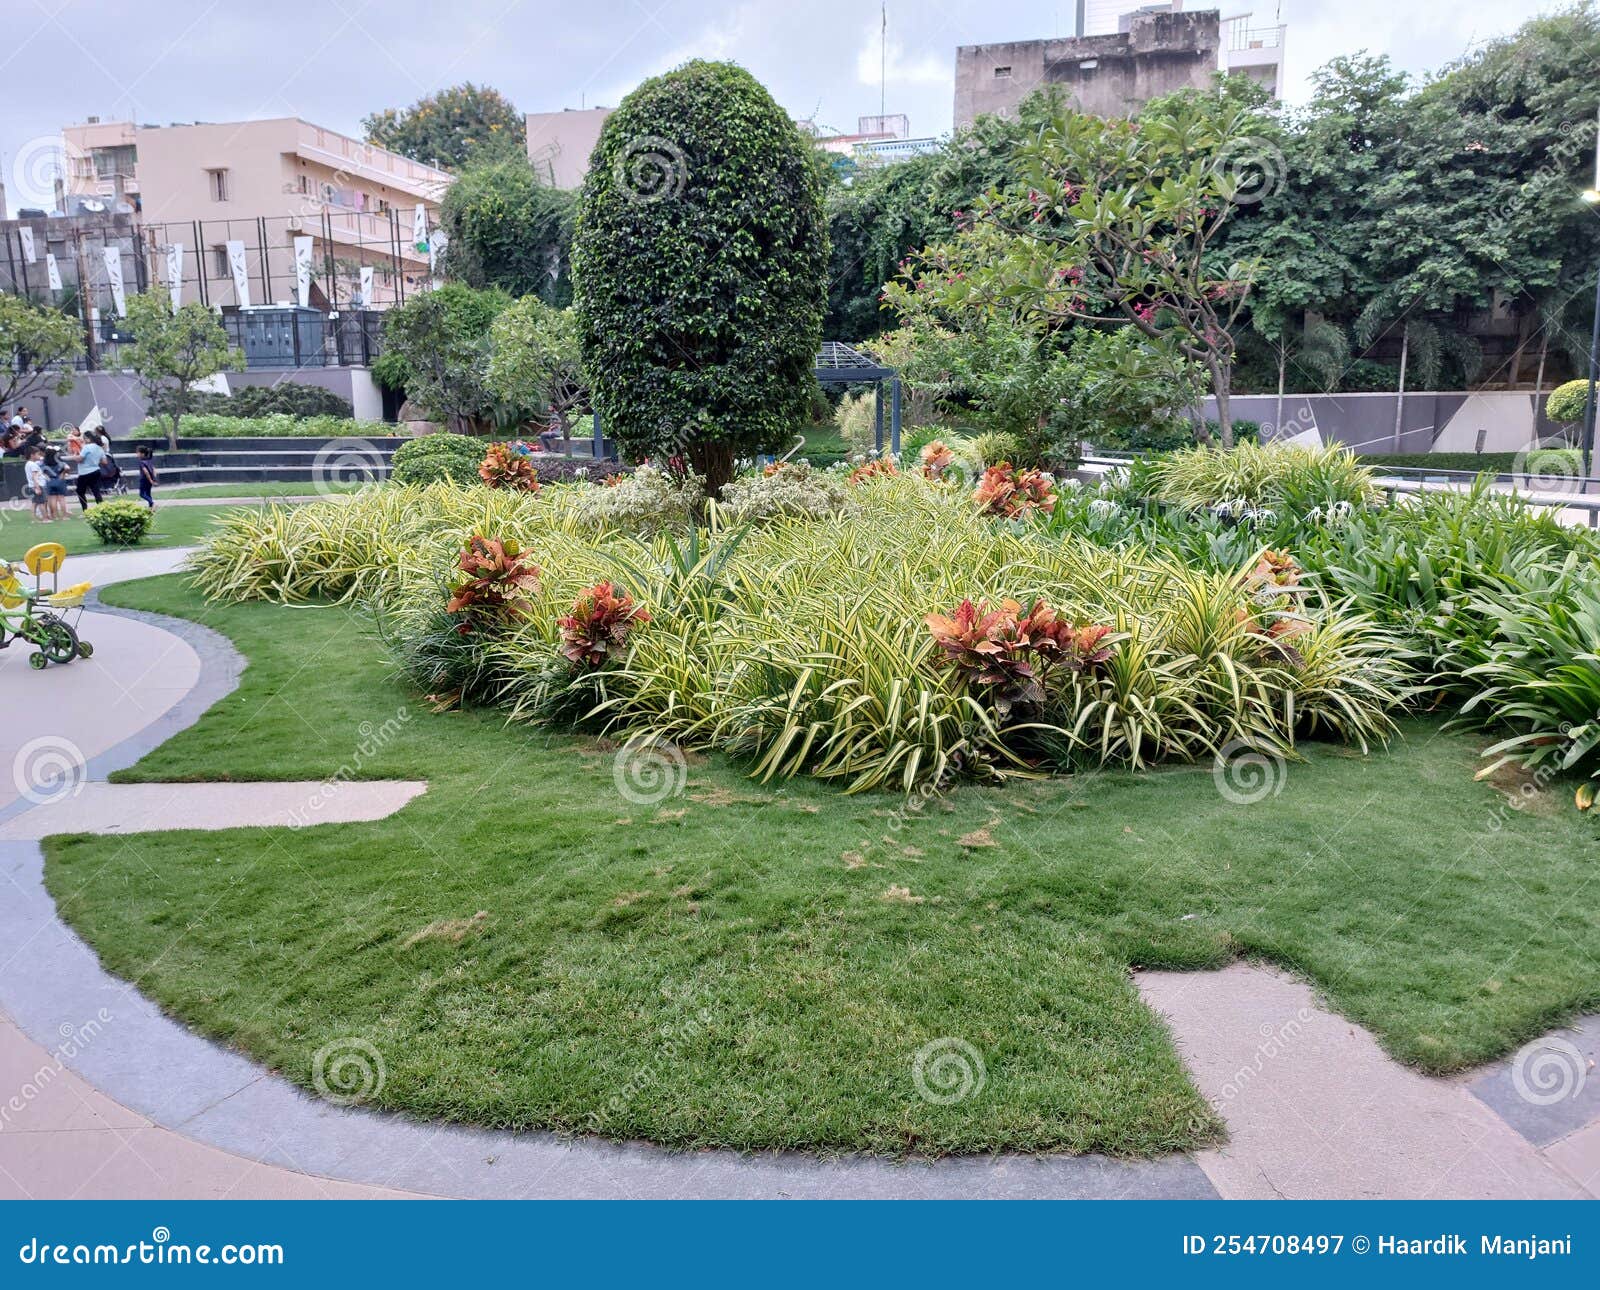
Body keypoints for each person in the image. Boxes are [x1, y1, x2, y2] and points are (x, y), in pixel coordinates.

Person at [68, 433, 105, 511]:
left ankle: (85, 510)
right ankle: (102, 509)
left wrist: (74, 457)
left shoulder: (87, 447)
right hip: (96, 471)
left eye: (84, 438)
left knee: (80, 491)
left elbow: (80, 459)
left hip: (85, 472)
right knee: (96, 491)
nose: (83, 440)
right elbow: (104, 462)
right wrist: (95, 460)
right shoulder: (100, 448)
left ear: (88, 439)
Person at [41, 445, 71, 519]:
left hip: (50, 481)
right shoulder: (59, 462)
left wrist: (46, 476)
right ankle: (64, 516)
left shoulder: (45, 463)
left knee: (52, 499)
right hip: (60, 480)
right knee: (61, 499)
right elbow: (68, 468)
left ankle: (55, 515)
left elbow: (42, 472)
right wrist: (63, 473)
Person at [24, 447, 50, 521]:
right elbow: (34, 477)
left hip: (32, 486)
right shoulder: (33, 465)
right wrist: (37, 487)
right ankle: (45, 519)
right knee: (42, 502)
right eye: (38, 454)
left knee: (34, 503)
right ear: (32, 455)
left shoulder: (28, 464)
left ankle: (34, 519)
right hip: (37, 486)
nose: (39, 456)